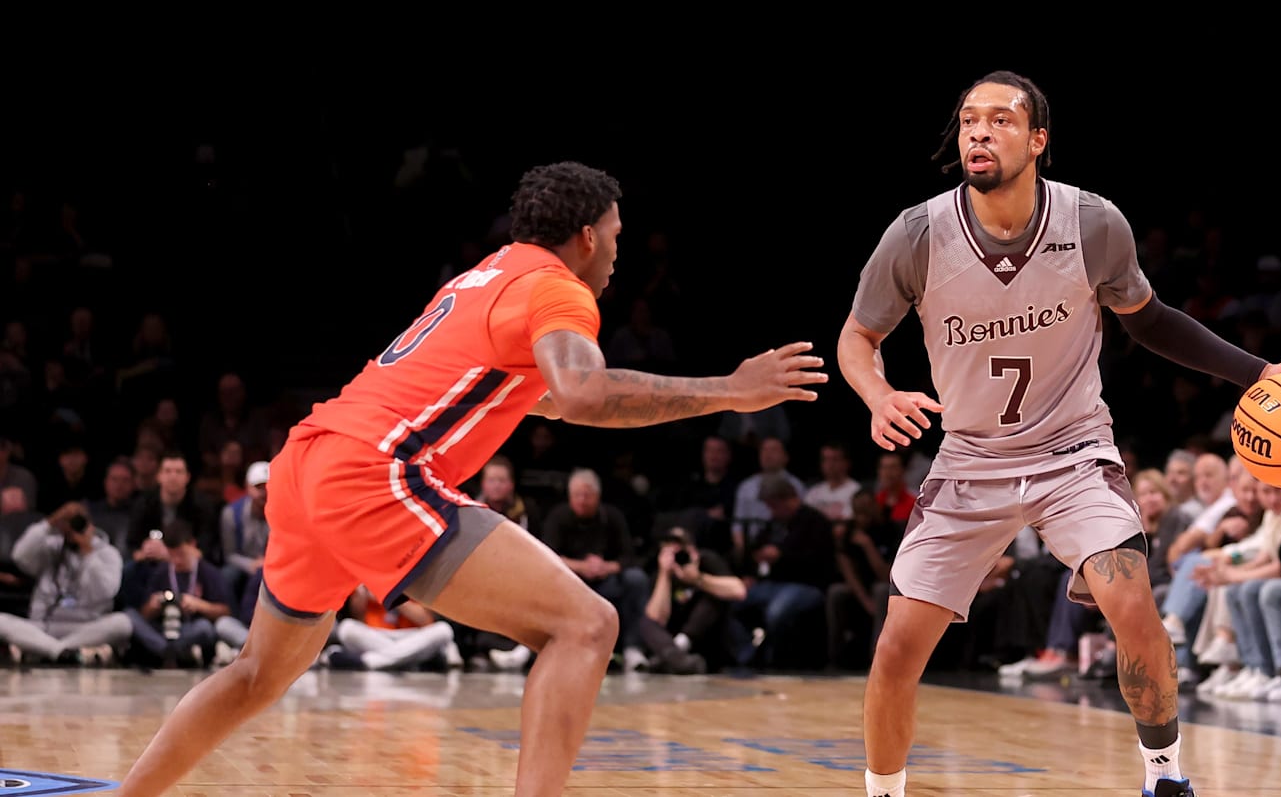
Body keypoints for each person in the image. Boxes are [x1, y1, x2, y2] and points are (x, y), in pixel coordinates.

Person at [115, 160, 828, 797]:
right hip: (374, 471)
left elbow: (546, 396)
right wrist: (728, 391)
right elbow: (584, 394)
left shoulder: (486, 274)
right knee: (586, 625)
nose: (617, 251)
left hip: (310, 460)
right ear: (585, 236)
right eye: (615, 234)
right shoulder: (559, 290)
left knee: (254, 676)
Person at [835, 71, 1281, 797]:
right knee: (897, 650)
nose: (978, 132)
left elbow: (1151, 320)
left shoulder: (1092, 224)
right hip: (970, 460)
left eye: (999, 119)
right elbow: (857, 337)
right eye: (968, 120)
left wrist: (1256, 373)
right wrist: (875, 394)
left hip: (1073, 454)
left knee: (1133, 604)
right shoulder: (917, 235)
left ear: (1037, 140)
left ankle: (1165, 777)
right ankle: (881, 792)